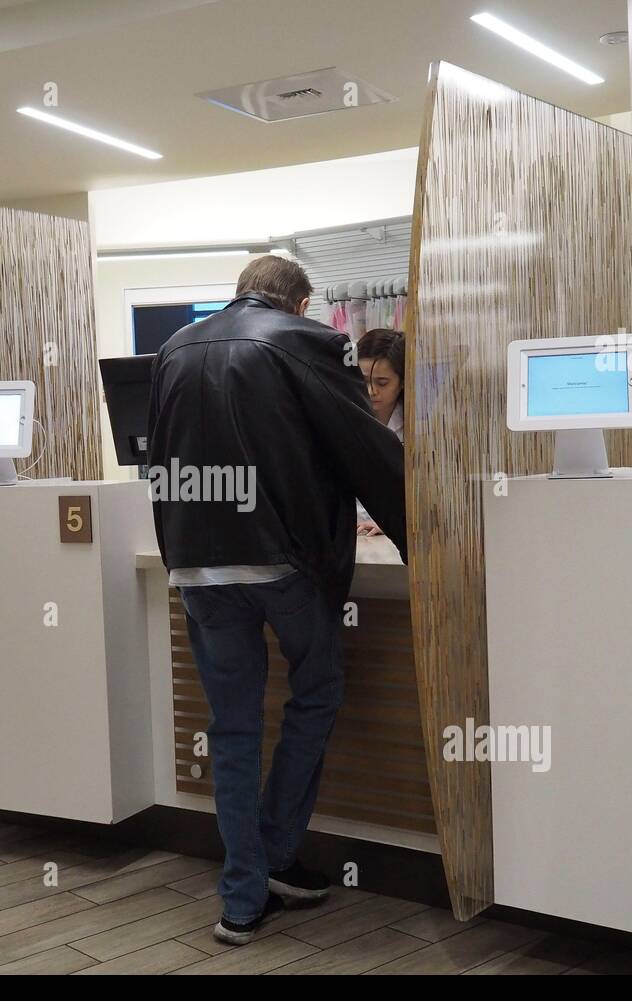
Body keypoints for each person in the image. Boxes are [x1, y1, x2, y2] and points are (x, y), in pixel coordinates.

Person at [147, 255, 407, 945]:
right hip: (283, 560)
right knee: (315, 693)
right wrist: (421, 533)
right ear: (300, 303)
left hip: (197, 566)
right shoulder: (304, 341)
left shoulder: (173, 348)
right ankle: (273, 853)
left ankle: (244, 895)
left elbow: (155, 457)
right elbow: (364, 447)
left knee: (231, 730)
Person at [354, 328, 405, 537]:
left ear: (402, 382)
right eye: (364, 381)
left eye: (382, 383)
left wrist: (389, 522)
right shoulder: (342, 418)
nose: (371, 391)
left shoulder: (422, 428)